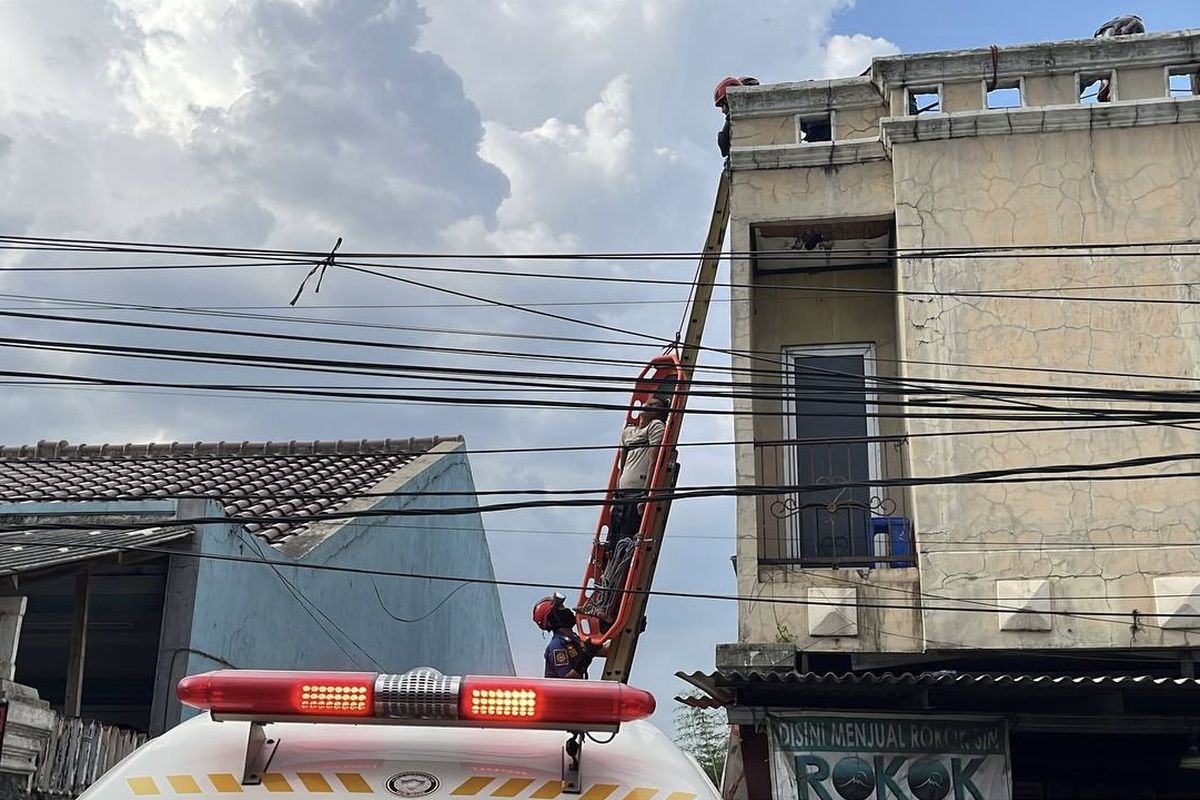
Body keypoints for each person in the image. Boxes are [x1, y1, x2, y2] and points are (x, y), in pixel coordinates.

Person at [606, 398, 669, 550]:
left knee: (626, 540)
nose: (646, 406)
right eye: (647, 403)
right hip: (622, 493)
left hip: (638, 492)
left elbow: (654, 462)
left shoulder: (655, 426)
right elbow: (621, 466)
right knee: (613, 541)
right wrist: (616, 495)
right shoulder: (628, 432)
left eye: (653, 405)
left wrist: (645, 496)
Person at [532, 593, 599, 679]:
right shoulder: (557, 645)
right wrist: (587, 656)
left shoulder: (572, 638)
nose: (567, 610)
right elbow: (568, 678)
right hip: (565, 688)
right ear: (553, 617)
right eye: (561, 608)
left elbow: (601, 650)